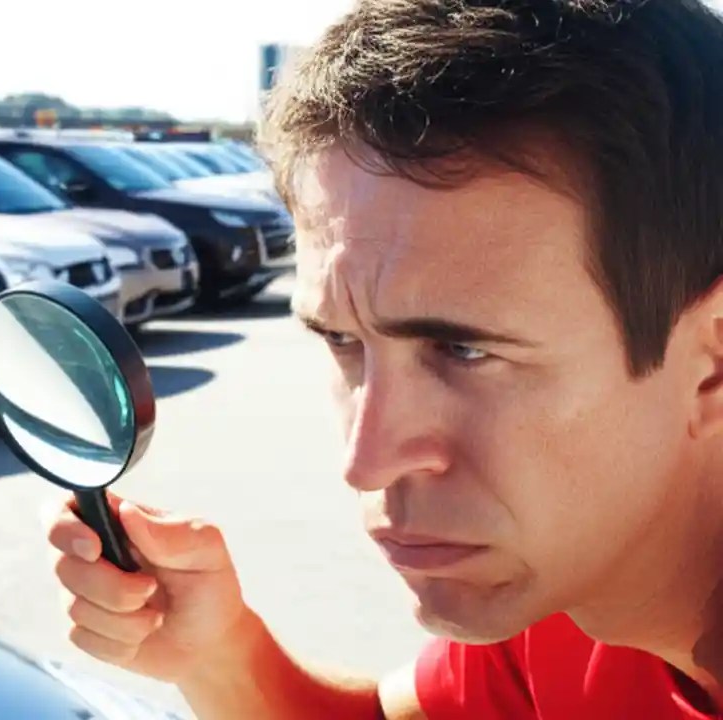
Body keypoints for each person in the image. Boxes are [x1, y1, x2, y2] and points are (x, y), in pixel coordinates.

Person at [45, 1, 723, 717]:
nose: (365, 464)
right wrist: (220, 653)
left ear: (712, 358)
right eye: (343, 341)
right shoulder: (565, 577)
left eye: (463, 350)